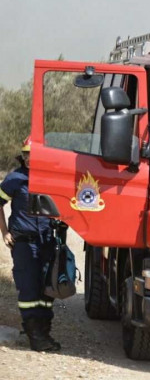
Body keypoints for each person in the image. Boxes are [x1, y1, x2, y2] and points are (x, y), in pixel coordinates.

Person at [0, 137, 60, 352]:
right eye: (26, 154)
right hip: (24, 243)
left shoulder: (50, 178)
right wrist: (5, 232)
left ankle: (44, 331)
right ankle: (35, 336)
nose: (28, 158)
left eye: (33, 154)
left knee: (47, 288)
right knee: (28, 288)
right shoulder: (15, 178)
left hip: (47, 241)